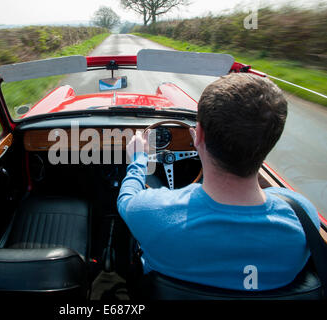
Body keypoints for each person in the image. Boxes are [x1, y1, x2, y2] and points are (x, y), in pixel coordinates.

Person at [117, 73, 320, 291]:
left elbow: (126, 198)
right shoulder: (302, 215)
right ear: (272, 140)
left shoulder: (150, 211)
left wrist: (138, 159)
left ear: (199, 135)